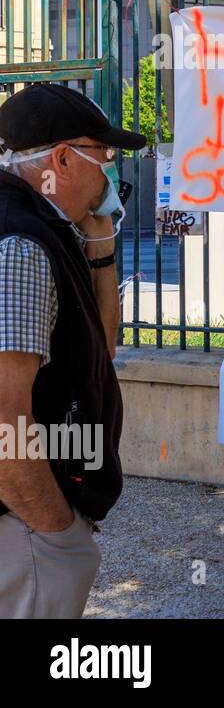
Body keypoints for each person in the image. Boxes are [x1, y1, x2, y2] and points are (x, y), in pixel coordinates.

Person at [0, 83, 145, 618]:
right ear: (61, 158)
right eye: (103, 156)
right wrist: (58, 533)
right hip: (24, 531)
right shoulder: (19, 244)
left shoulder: (43, 231)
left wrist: (100, 248)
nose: (109, 174)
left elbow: (98, 349)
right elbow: (2, 417)